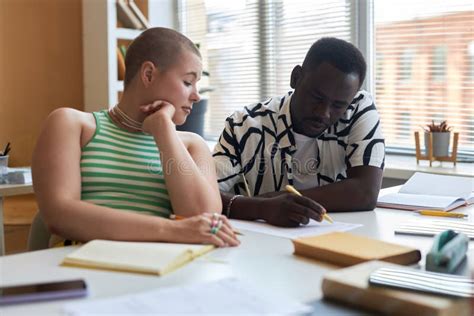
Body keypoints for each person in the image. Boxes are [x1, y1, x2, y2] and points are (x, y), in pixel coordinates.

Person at [32, 27, 239, 247]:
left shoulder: (192, 145)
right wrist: (171, 229)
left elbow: (203, 220)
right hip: (80, 269)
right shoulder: (72, 124)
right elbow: (59, 215)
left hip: (162, 270)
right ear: (148, 74)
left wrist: (163, 129)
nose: (196, 96)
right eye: (188, 82)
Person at [213, 37, 385, 227]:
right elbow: (201, 194)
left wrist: (272, 201)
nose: (323, 113)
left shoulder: (358, 108)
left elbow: (365, 192)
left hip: (334, 242)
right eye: (316, 97)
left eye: (338, 105)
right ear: (296, 78)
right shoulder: (243, 125)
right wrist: (263, 208)